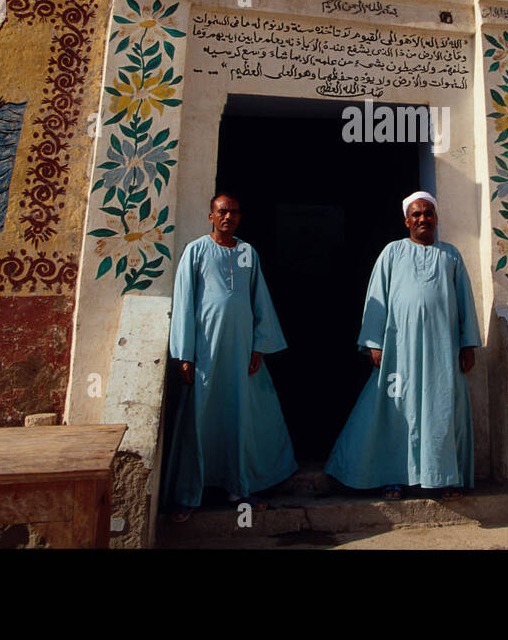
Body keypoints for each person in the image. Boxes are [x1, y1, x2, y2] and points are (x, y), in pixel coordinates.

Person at [325, 190, 481, 500]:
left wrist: (467, 345)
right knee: (394, 412)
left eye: (429, 213)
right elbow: (377, 299)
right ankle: (391, 476)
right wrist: (373, 342)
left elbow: (465, 302)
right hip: (399, 351)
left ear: (436, 218)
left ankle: (443, 478)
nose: (423, 218)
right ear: (406, 220)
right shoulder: (392, 253)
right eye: (417, 214)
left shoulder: (451, 256)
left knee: (442, 410)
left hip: (441, 352)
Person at [161, 192, 296, 521]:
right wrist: (185, 355)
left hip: (241, 354)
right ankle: (189, 495)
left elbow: (258, 299)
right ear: (211, 216)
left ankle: (241, 487)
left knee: (243, 419)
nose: (228, 217)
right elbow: (184, 305)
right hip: (206, 353)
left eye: (234, 212)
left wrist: (259, 345)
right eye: (222, 212)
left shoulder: (248, 253)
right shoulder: (195, 251)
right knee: (200, 418)